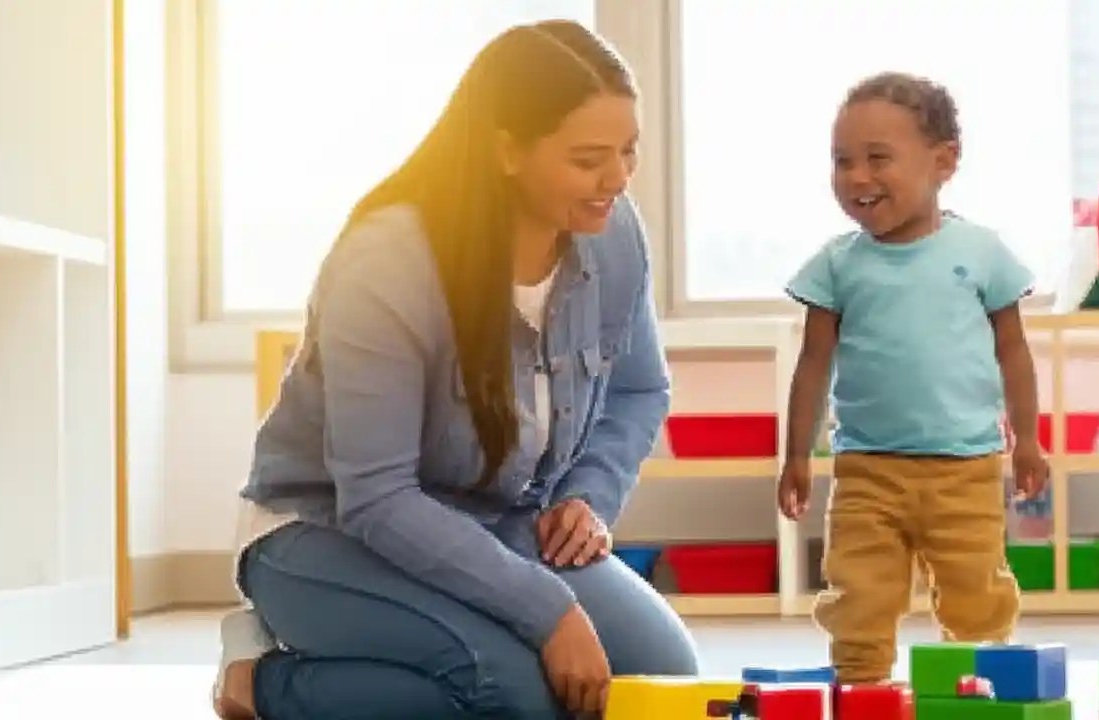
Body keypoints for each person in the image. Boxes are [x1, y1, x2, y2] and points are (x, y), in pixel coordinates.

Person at [210, 19, 699, 719]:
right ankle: (260, 685)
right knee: (513, 691)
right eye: (589, 158)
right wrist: (548, 611)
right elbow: (376, 497)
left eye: (629, 151)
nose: (618, 180)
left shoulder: (612, 236)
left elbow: (638, 388)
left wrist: (589, 495)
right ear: (507, 151)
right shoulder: (388, 264)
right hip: (327, 529)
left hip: (496, 520)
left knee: (662, 674)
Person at [776, 71, 1049, 685]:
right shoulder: (836, 264)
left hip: (966, 468)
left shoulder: (981, 253)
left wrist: (1027, 437)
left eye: (878, 159)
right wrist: (797, 453)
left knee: (976, 592)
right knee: (860, 594)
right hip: (868, 469)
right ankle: (861, 687)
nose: (857, 177)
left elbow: (1015, 352)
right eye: (842, 161)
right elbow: (812, 363)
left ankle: (980, 685)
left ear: (943, 161)